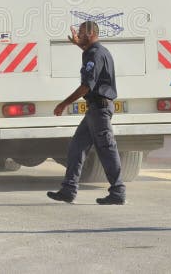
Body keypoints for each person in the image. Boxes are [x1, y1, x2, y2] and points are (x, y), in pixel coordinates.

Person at [47, 20, 126, 205]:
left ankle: (118, 191)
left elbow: (85, 86)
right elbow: (90, 59)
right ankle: (68, 189)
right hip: (95, 110)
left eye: (81, 33)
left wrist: (64, 104)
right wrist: (78, 45)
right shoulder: (96, 51)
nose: (78, 36)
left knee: (106, 149)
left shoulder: (95, 54)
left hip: (99, 110)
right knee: (76, 147)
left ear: (90, 34)